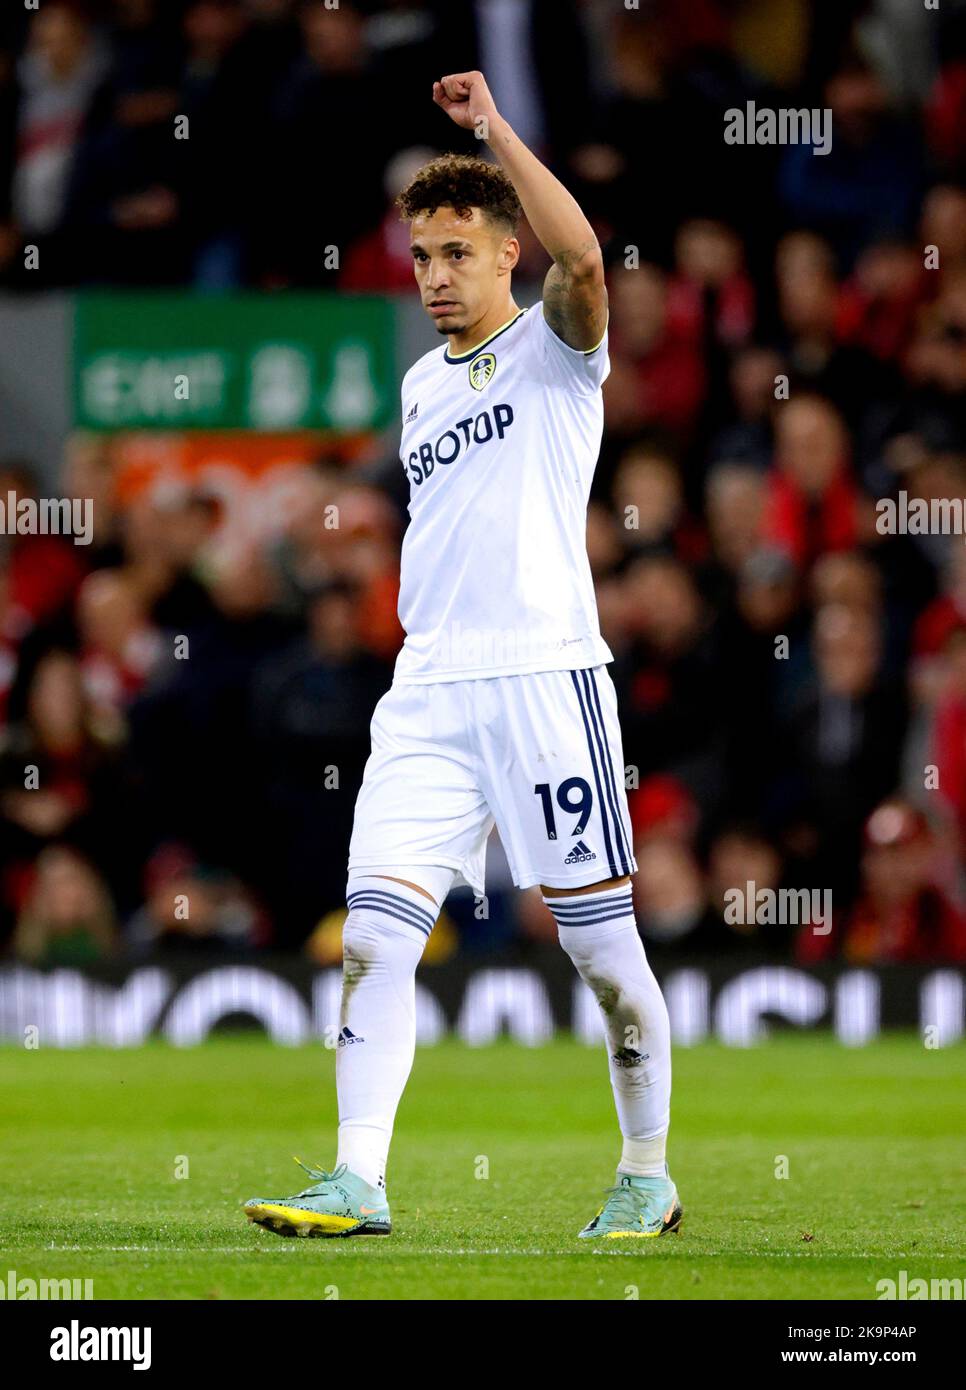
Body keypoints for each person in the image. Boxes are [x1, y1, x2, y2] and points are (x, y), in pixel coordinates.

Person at [243, 70, 680, 1243]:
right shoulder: (420, 387)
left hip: (545, 681)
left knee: (600, 951)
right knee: (376, 933)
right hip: (427, 693)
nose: (433, 275)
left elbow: (587, 263)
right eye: (421, 256)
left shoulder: (556, 349)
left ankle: (647, 1171)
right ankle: (357, 1177)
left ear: (505, 258)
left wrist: (493, 132)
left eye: (453, 253)